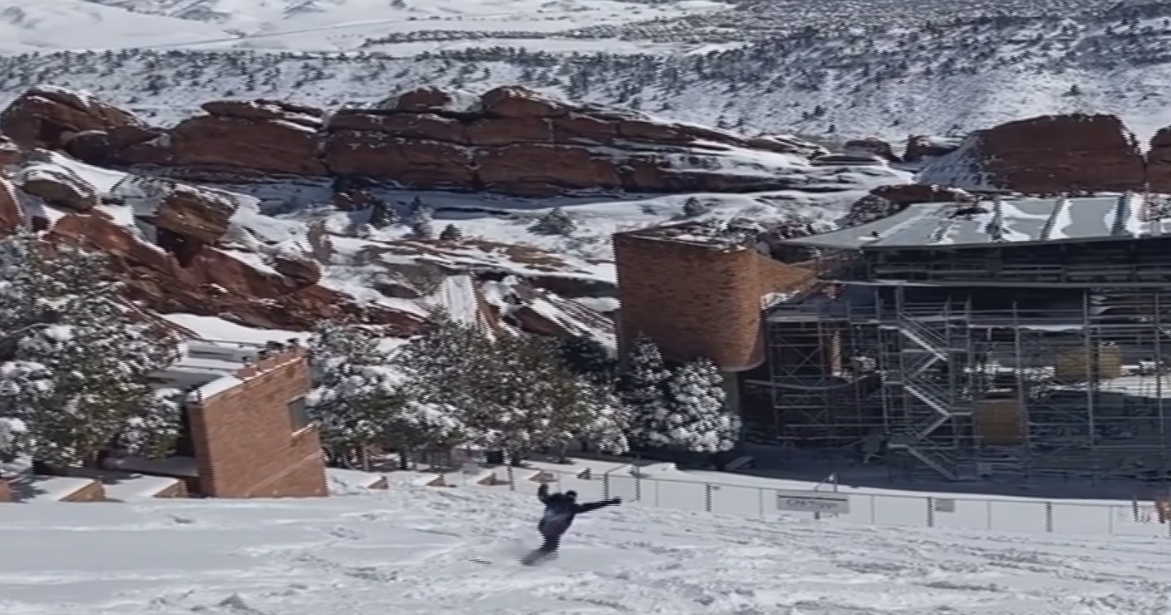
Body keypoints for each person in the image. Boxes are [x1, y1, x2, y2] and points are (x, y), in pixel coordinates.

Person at [535, 483, 621, 553]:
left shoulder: (553, 501)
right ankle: (530, 561)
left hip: (544, 526)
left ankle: (541, 557)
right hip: (553, 529)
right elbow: (593, 506)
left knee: (551, 546)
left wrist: (543, 488)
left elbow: (542, 496)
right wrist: (610, 502)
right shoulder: (572, 507)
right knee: (551, 546)